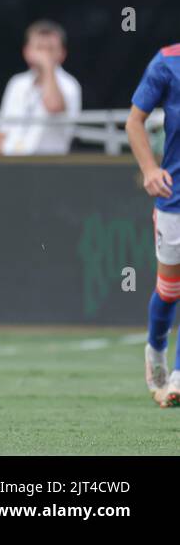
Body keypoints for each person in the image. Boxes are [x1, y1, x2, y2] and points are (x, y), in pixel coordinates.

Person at [126, 40, 180, 407]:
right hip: (174, 195)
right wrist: (149, 169)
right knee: (169, 290)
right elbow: (135, 121)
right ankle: (156, 349)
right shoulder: (167, 61)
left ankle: (177, 378)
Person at [0, 20, 82, 156]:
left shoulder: (69, 84)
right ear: (27, 52)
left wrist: (47, 67)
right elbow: (2, 131)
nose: (44, 55)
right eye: (39, 48)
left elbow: (53, 106)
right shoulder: (17, 83)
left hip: (47, 165)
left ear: (62, 53)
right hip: (11, 163)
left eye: (50, 49)